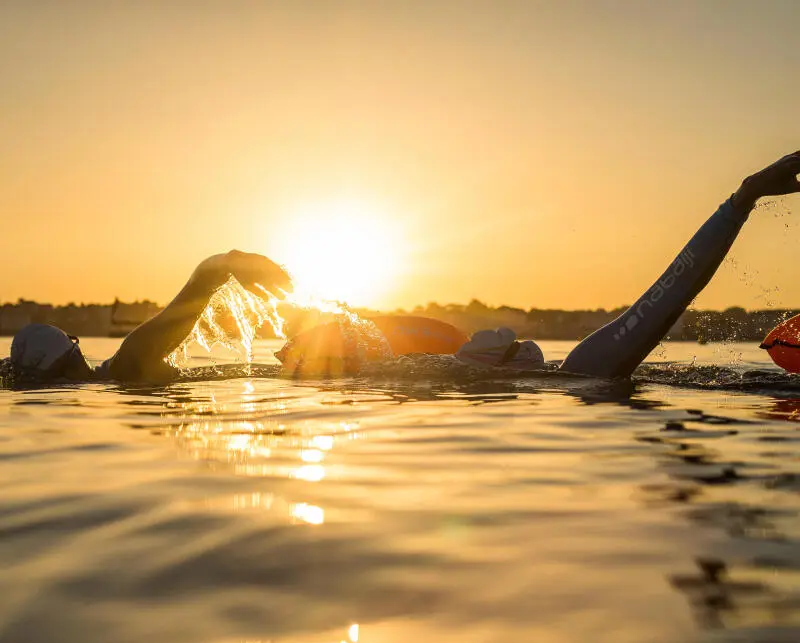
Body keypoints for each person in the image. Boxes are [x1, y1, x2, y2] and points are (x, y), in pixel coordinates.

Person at [5, 150, 800, 384]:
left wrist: (743, 199)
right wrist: (741, 199)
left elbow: (659, 303)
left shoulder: (561, 376)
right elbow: (661, 302)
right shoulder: (565, 376)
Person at [5, 251, 293, 383]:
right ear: (73, 347)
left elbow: (196, 289)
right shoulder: (116, 371)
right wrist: (227, 262)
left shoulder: (128, 364)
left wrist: (227, 262)